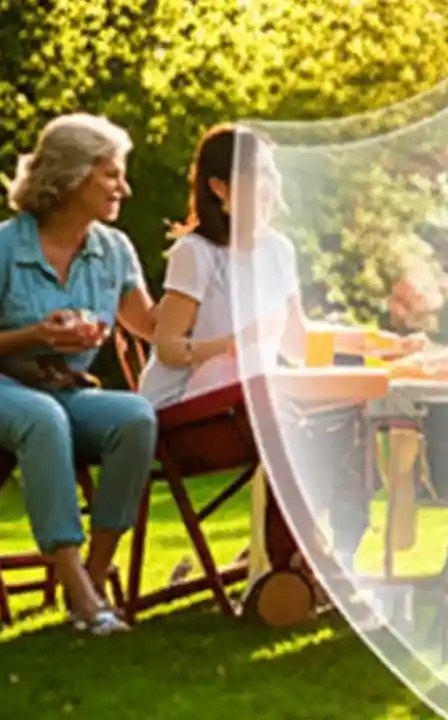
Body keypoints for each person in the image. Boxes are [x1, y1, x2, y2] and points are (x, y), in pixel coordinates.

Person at [139, 124, 423, 578]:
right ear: (219, 187)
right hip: (187, 416)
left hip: (258, 407)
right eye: (256, 176)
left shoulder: (279, 250)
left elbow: (296, 342)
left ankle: (310, 555)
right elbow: (169, 349)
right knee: (297, 430)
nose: (269, 188)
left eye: (272, 174)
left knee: (348, 420)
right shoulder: (195, 254)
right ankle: (294, 559)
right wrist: (236, 342)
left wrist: (374, 342)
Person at [0, 113, 158, 634]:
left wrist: (214, 270)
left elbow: (149, 324)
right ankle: (76, 589)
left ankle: (96, 577)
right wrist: (35, 335)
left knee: (135, 416)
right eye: (110, 174)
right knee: (40, 417)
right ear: (72, 175)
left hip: (61, 394)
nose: (122, 187)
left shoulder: (114, 249)